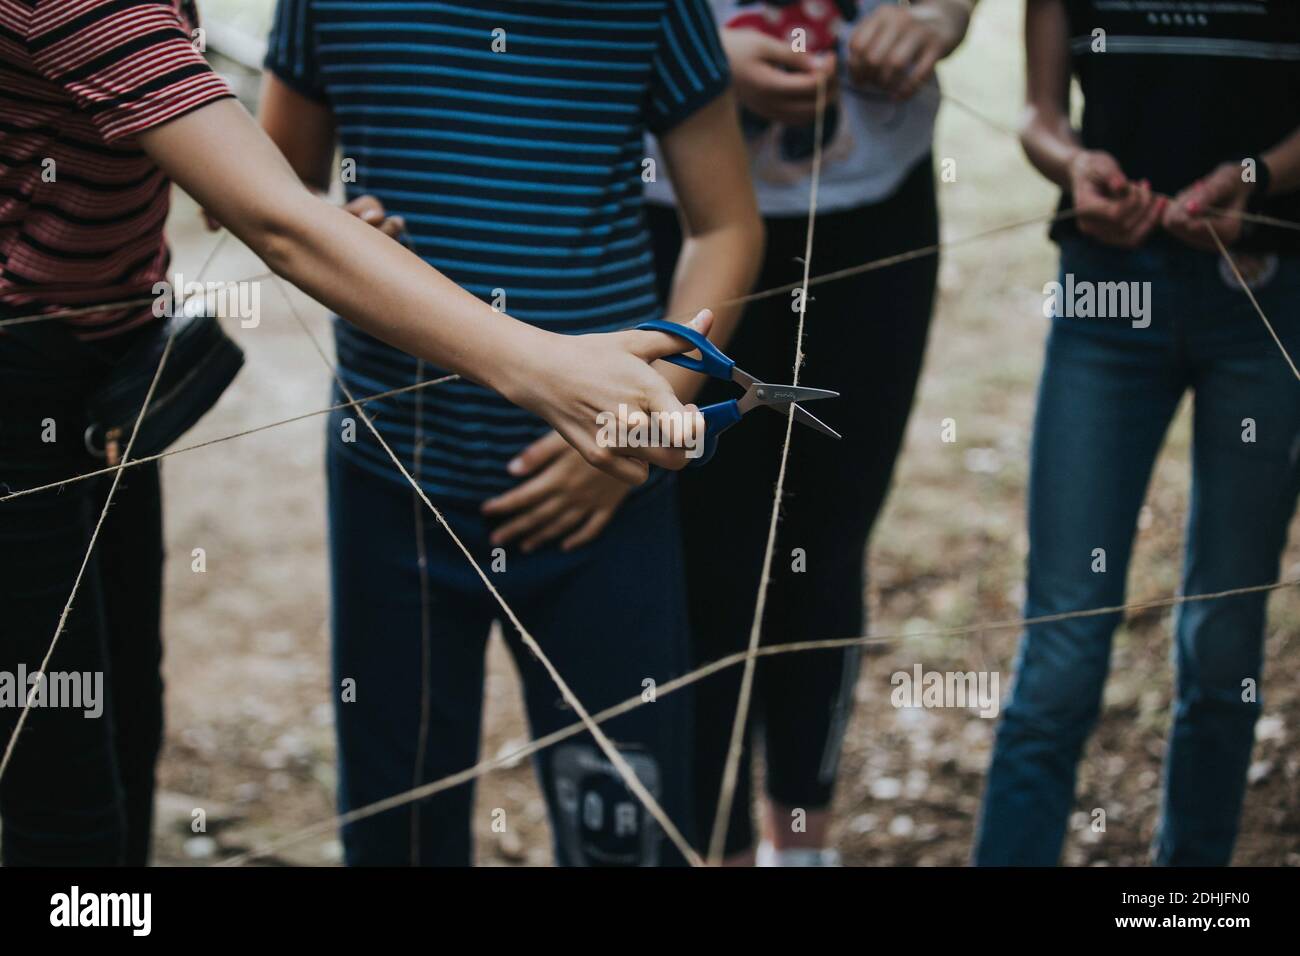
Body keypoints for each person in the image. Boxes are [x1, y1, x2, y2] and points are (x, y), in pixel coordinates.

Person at [0, 0, 712, 866]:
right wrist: (550, 371)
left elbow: (261, 185)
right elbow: (275, 214)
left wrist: (328, 227)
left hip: (107, 389)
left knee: (120, 729)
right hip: (23, 394)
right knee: (59, 794)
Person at [259, 0, 763, 865]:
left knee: (630, 827)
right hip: (396, 482)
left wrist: (637, 433)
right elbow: (273, 186)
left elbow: (726, 225)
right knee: (397, 823)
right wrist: (335, 228)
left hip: (603, 497)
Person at [646, 0, 978, 865]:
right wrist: (697, 54)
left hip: (871, 212)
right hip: (674, 216)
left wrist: (940, 13)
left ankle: (800, 844)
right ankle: (704, 848)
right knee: (692, 557)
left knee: (825, 547)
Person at [975, 0, 1300, 866]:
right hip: (1104, 300)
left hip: (1266, 298)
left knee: (1225, 636)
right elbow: (1038, 114)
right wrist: (1075, 163)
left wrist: (1257, 174)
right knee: (1064, 644)